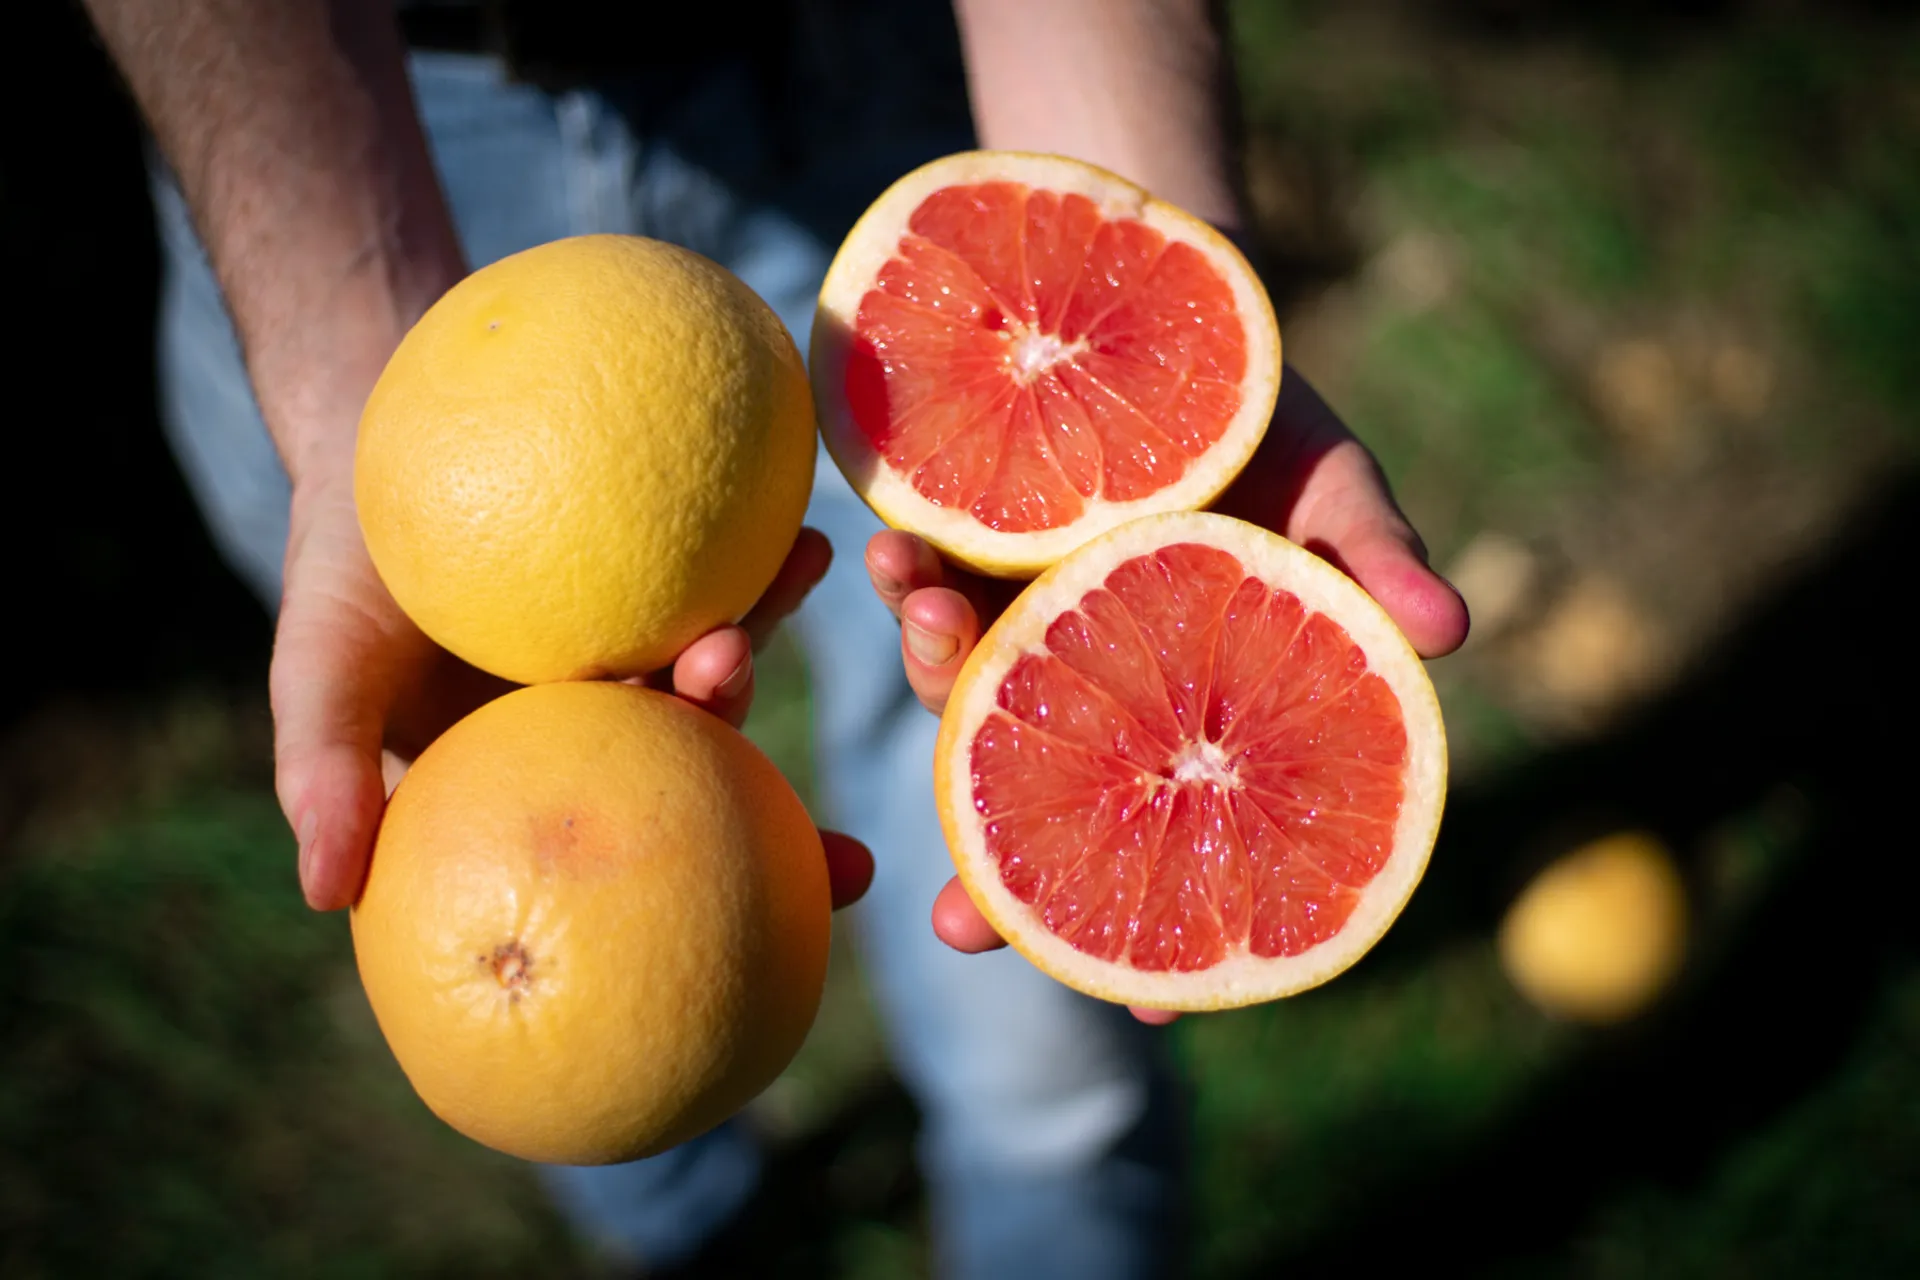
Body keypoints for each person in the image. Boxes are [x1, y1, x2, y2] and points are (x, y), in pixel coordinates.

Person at [81, 1, 1469, 1274]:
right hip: (333, 139)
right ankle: (698, 1231)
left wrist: (1151, 276)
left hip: (878, 70)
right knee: (585, 1017)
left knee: (1048, 1026)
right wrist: (346, 400)